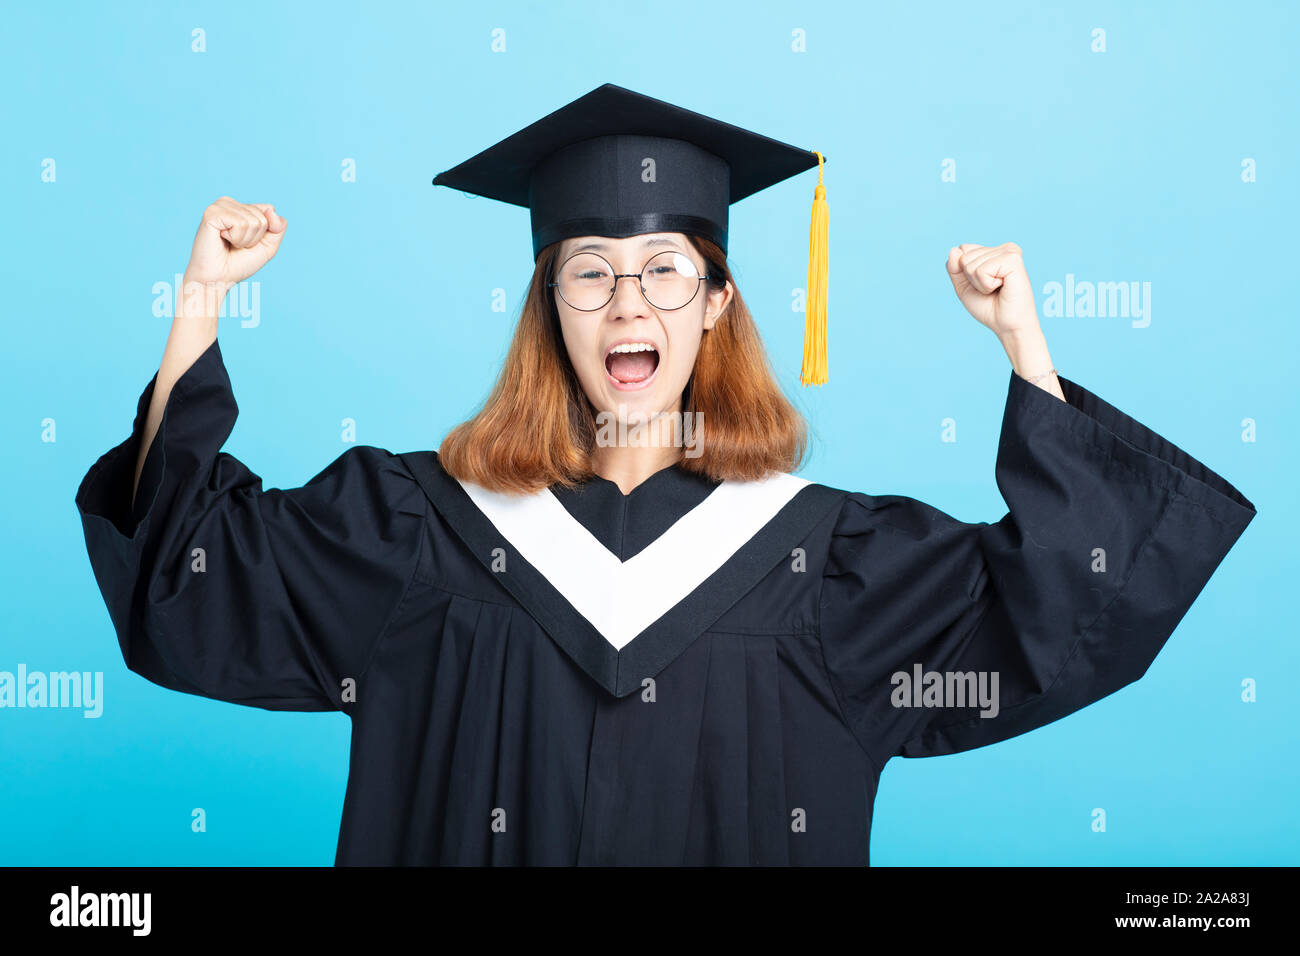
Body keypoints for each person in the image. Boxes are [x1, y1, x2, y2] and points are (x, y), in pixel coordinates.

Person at [74, 83, 1257, 865]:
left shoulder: (828, 563)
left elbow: (1061, 615)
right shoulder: (414, 528)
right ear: (549, 306)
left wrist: (1024, 347)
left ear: (719, 304)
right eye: (588, 271)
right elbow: (184, 582)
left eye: (665, 272)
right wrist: (199, 304)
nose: (627, 300)